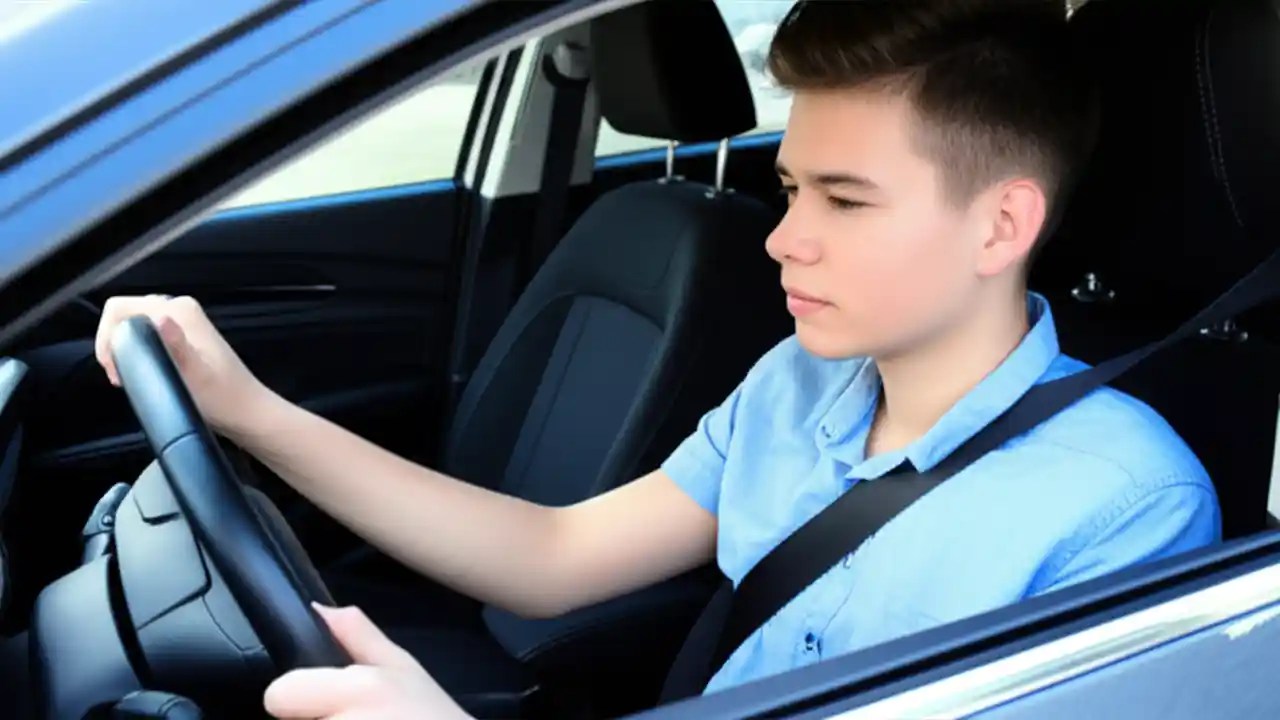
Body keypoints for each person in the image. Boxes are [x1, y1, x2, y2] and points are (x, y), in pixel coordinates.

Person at [93, 1, 1221, 717]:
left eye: (843, 198)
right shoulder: (797, 383)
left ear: (998, 225)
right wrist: (243, 411)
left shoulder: (1125, 511)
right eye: (789, 187)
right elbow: (549, 554)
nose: (783, 237)